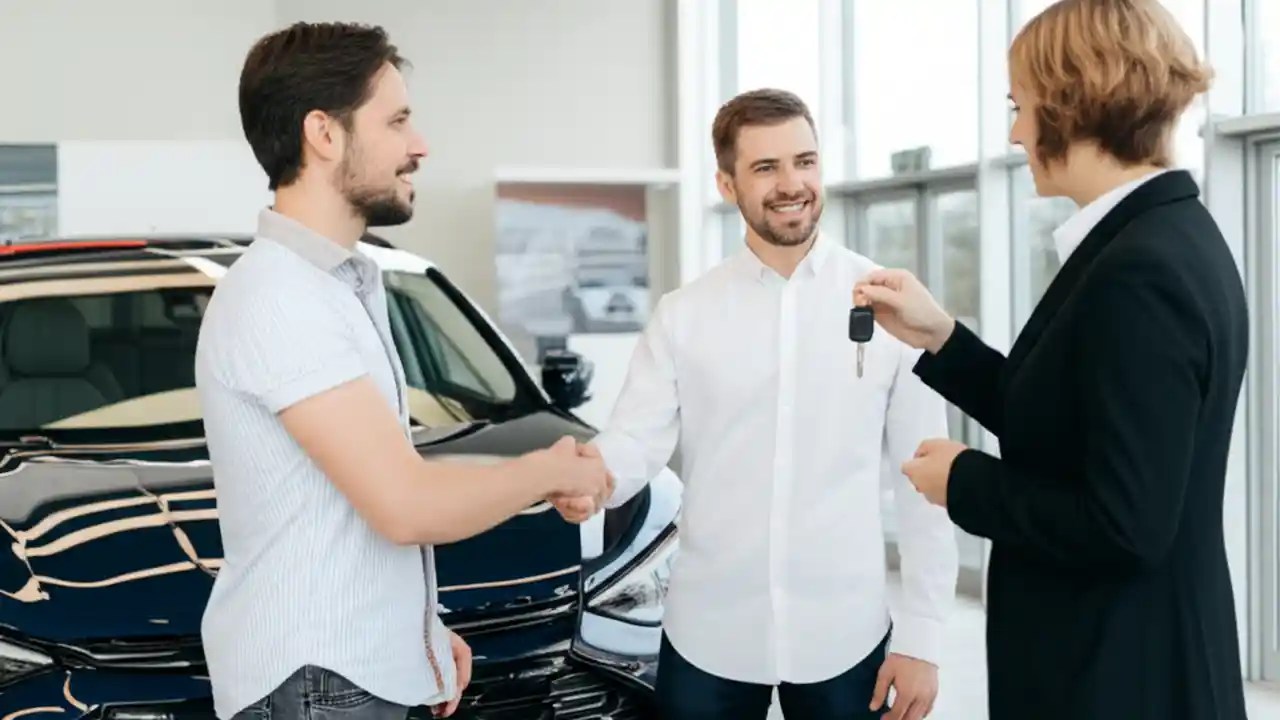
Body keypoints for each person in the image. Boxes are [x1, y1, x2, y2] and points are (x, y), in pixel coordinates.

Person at [194, 22, 612, 720]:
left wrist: (412, 634)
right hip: (321, 685)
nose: (419, 145)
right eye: (396, 121)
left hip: (344, 673)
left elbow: (339, 517)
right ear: (324, 134)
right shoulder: (281, 296)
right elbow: (406, 505)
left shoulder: (337, 282)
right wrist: (550, 470)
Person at [854, 2, 1249, 718]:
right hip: (1123, 659)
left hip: (1118, 677)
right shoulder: (1159, 236)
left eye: (1021, 107)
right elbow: (1068, 422)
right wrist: (941, 336)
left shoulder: (1140, 273)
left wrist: (964, 482)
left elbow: (1124, 525)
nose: (1015, 134)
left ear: (1074, 102)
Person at [557, 88, 958, 720]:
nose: (791, 184)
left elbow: (925, 484)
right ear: (727, 184)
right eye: (766, 167)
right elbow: (634, 441)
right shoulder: (684, 315)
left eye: (805, 161)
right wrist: (592, 478)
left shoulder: (892, 308)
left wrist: (924, 638)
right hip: (707, 635)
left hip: (847, 634)